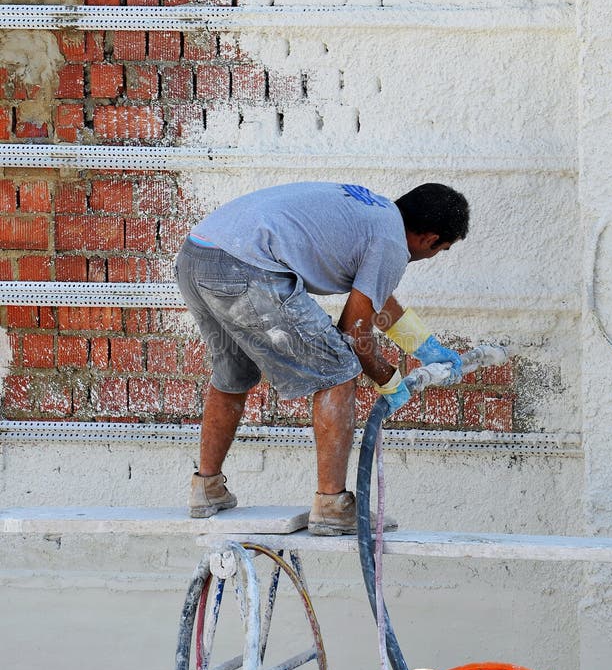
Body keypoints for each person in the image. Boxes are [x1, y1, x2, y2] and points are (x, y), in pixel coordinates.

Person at [175, 181, 469, 535]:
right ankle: (332, 505)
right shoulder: (392, 243)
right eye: (443, 249)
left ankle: (206, 489)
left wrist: (424, 347)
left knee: (233, 372)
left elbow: (374, 300)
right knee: (340, 368)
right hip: (244, 268)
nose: (435, 255)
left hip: (198, 255)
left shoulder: (373, 214)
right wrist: (388, 380)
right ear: (430, 239)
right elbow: (354, 333)